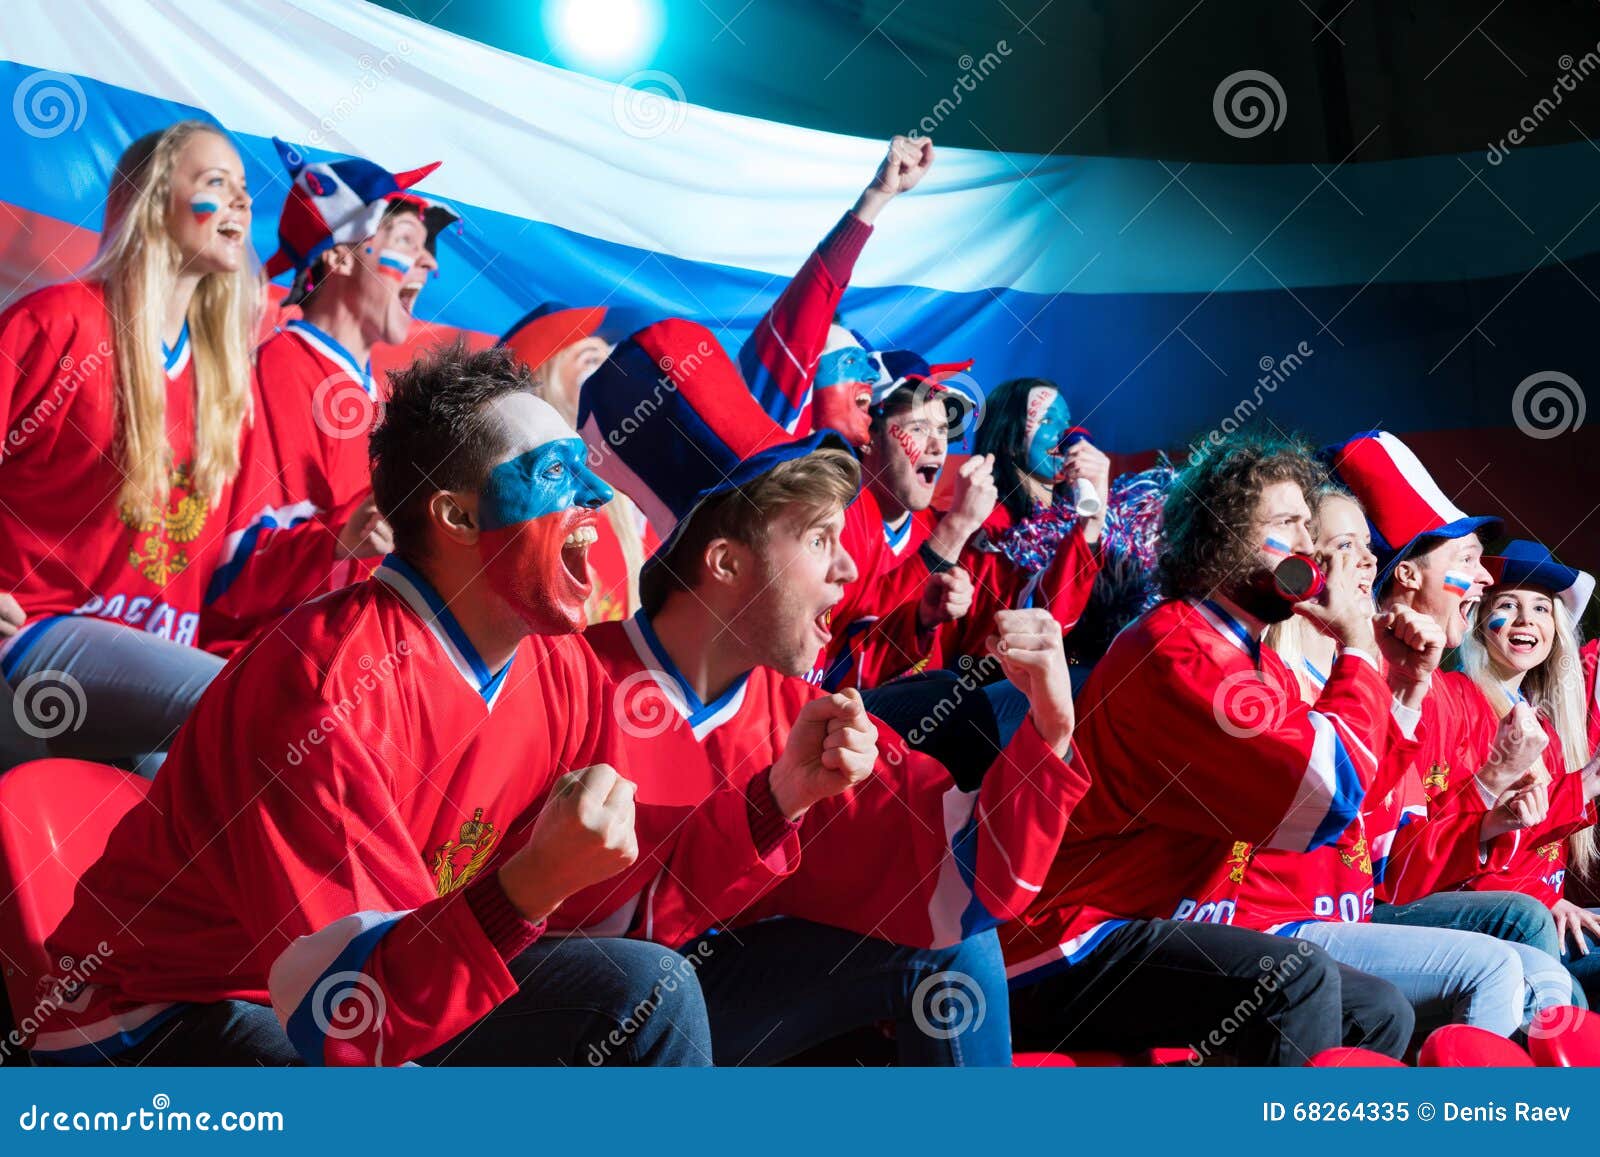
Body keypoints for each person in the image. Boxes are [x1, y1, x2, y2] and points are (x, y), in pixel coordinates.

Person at [33, 342, 868, 1067]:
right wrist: (531, 884)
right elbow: (347, 1018)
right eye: (554, 474)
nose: (593, 495)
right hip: (155, 1024)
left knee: (651, 990)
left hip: (369, 999)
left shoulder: (559, 665)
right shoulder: (326, 687)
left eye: (582, 467)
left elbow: (638, 901)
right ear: (458, 516)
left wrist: (780, 797)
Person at [576, 319, 1090, 1066]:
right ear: (724, 562)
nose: (848, 570)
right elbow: (581, 944)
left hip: (709, 989)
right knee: (653, 982)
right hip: (587, 1030)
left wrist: (1050, 733)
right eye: (820, 539)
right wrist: (771, 807)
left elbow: (957, 880)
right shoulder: (570, 681)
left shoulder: (789, 709)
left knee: (953, 950)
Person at [1004, 431, 1413, 1065]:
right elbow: (1327, 798)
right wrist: (1358, 646)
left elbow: (1355, 803)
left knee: (1380, 1009)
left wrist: (1403, 679)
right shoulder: (1179, 649)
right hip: (1073, 938)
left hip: (1167, 927)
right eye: (1286, 523)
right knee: (1297, 980)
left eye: (1308, 526)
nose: (1309, 546)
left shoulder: (1257, 664)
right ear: (1221, 539)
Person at [0, 120, 381, 774]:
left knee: (210, 810)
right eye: (215, 182)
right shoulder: (58, 320)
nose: (242, 201)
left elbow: (229, 571)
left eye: (244, 188)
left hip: (156, 661)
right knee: (248, 703)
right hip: (37, 634)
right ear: (152, 202)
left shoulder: (225, 379)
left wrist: (339, 540)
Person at [1254, 485, 1528, 1038]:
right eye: (1346, 545)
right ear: (1304, 565)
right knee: (1499, 963)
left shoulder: (1380, 678)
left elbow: (1381, 839)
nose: (1368, 560)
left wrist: (1404, 692)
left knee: (1537, 975)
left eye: (1367, 546)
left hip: (1344, 913)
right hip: (1276, 921)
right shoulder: (1270, 678)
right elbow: (1339, 822)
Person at [1324, 430, 1575, 1013]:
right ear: (1409, 576)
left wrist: (1496, 814)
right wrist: (1497, 783)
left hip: (1370, 902)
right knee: (1524, 932)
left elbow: (1403, 855)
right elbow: (1388, 867)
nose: (1486, 580)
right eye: (1468, 560)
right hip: (1329, 916)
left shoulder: (1434, 685)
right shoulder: (1401, 682)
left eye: (1543, 608)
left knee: (1543, 959)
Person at [202, 140, 458, 655]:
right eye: (406, 240)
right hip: (245, 667)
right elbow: (223, 571)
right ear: (340, 256)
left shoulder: (372, 399)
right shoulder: (277, 371)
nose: (430, 262)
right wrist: (340, 538)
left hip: (331, 670)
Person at [1455, 541, 1600, 1003]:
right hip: (1503, 921)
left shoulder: (1545, 726)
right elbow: (1457, 849)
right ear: (1479, 621)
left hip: (1544, 911)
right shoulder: (1460, 702)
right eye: (1507, 605)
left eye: (1540, 608)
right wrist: (1589, 782)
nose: (1525, 620)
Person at [500, 302, 657, 622]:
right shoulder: (522, 496)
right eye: (591, 361)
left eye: (609, 359)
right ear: (544, 382)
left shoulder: (627, 489)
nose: (613, 376)